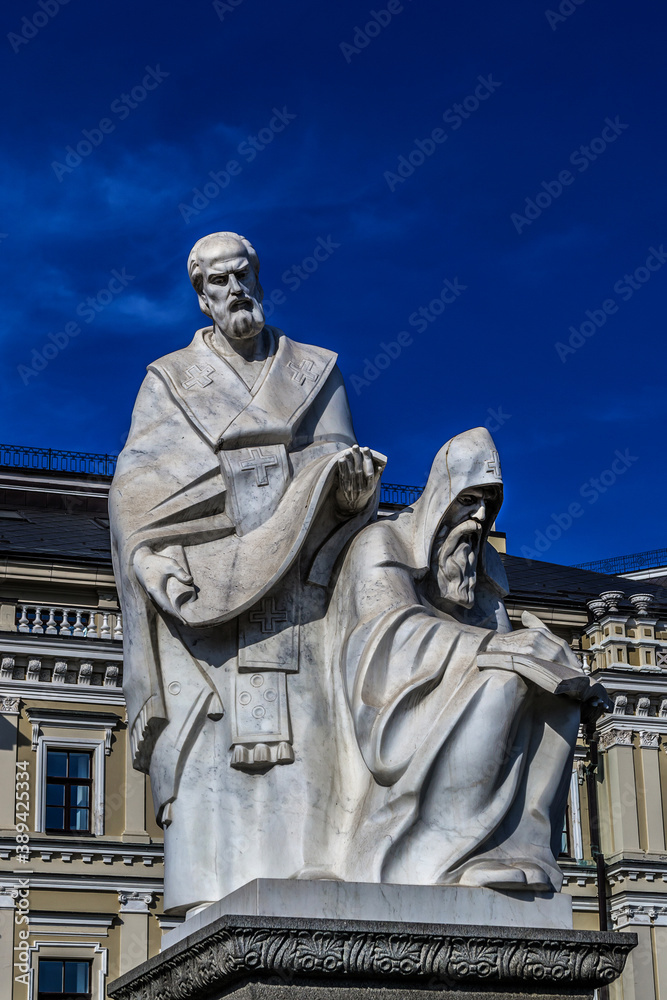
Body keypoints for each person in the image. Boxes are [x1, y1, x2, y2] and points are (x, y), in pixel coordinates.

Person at [109, 232, 384, 912]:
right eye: (218, 283)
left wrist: (346, 481)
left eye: (243, 276)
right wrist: (184, 531)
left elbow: (342, 465)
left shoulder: (315, 370)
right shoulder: (168, 378)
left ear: (258, 279)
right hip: (205, 589)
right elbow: (137, 484)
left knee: (310, 731)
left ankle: (316, 876)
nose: (235, 291)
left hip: (299, 592)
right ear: (200, 297)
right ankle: (210, 892)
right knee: (211, 738)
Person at [328, 426, 607, 891]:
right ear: (442, 497)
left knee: (552, 693)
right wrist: (497, 647)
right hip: (396, 704)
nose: (479, 517)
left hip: (456, 688)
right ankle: (448, 853)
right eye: (469, 500)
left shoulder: (484, 571)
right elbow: (387, 632)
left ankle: (522, 848)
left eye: (488, 505)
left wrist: (554, 663)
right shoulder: (383, 543)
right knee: (504, 682)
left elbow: (504, 639)